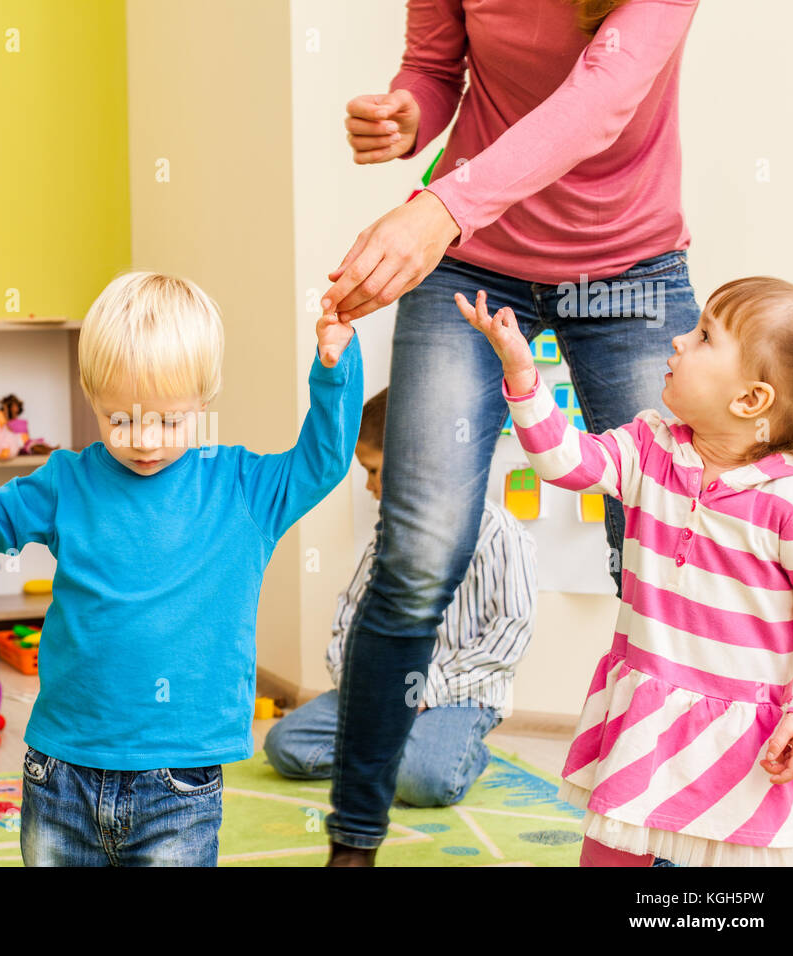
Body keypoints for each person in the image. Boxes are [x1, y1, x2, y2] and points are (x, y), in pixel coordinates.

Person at [321, 0, 703, 864]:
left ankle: (674, 856)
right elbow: (435, 67)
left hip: (628, 267)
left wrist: (437, 208)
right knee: (418, 555)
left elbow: (599, 99)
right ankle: (354, 842)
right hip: (469, 259)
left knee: (661, 559)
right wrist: (407, 111)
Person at [0, 272, 363, 866]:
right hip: (59, 770)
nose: (144, 440)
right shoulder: (67, 480)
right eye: (120, 419)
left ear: (205, 398)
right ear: (92, 395)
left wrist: (334, 369)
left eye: (168, 421)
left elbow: (323, 461)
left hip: (179, 783)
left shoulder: (242, 487)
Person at [460, 277, 793, 866]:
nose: (677, 340)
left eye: (703, 337)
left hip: (740, 740)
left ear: (750, 401)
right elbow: (563, 460)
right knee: (609, 853)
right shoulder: (650, 444)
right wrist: (521, 372)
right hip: (645, 716)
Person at [264, 388, 535, 805]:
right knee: (285, 745)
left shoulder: (499, 531)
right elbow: (350, 615)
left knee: (424, 782)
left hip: (460, 695)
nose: (370, 487)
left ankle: (447, 751)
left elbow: (510, 634)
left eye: (374, 471)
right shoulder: (387, 536)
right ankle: (403, 743)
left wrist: (427, 693)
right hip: (383, 690)